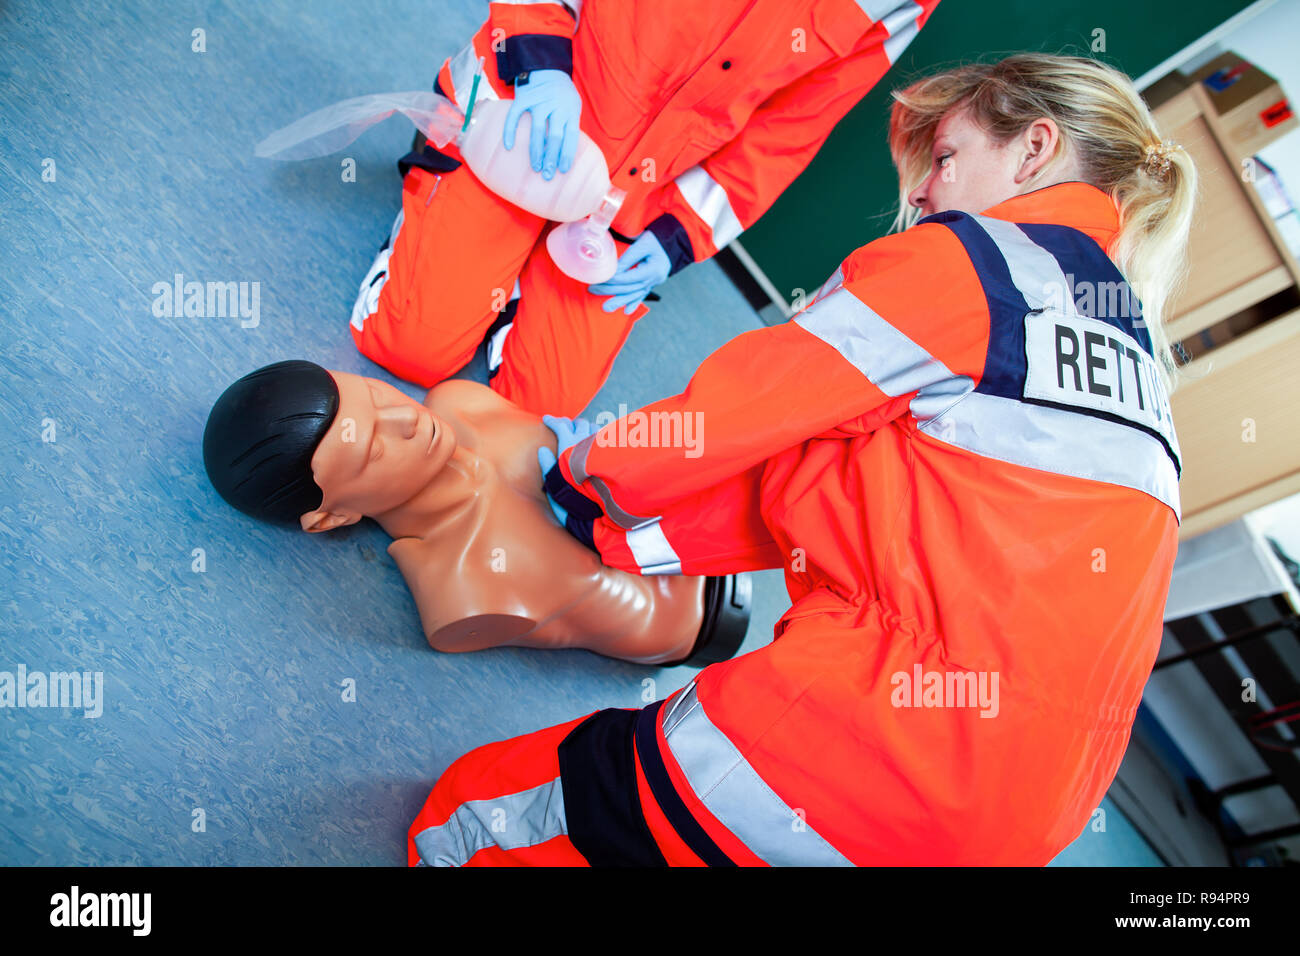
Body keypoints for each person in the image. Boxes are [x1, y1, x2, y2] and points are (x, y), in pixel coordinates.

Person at [406, 52, 1197, 866]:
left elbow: (740, 413)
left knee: (467, 818)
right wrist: (646, 539)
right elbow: (848, 481)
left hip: (861, 751)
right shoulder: (1148, 381)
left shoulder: (972, 266)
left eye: (946, 158)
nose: (923, 192)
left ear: (1034, 149)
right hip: (1028, 827)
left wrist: (579, 483)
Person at [349, 0, 942, 417]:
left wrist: (678, 234)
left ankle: (520, 277)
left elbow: (789, 129)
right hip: (522, 120)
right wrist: (536, 61)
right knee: (408, 347)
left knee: (535, 409)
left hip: (630, 197)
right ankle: (446, 184)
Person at [201, 361, 750, 665]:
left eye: (375, 394)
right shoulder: (464, 591)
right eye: (372, 450)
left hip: (716, 503)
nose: (406, 420)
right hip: (696, 610)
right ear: (333, 518)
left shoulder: (461, 400)